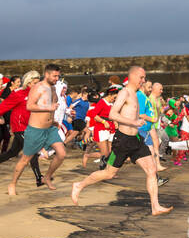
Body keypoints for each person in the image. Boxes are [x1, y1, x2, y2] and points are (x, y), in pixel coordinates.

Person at [70, 65, 172, 215]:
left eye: (144, 78)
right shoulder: (125, 93)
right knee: (109, 173)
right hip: (122, 140)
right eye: (141, 78)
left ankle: (155, 206)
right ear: (133, 77)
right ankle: (79, 185)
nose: (143, 81)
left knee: (152, 170)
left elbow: (131, 115)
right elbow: (112, 114)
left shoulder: (137, 94)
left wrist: (139, 120)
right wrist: (134, 122)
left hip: (136, 139)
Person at [8, 63, 66, 196]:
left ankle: (46, 177)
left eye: (58, 76)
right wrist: (49, 108)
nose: (57, 78)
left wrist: (54, 121)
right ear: (46, 74)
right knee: (25, 159)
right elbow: (30, 106)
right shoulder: (38, 87)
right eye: (54, 76)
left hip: (50, 129)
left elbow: (51, 106)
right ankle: (12, 183)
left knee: (61, 153)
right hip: (36, 130)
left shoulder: (52, 88)